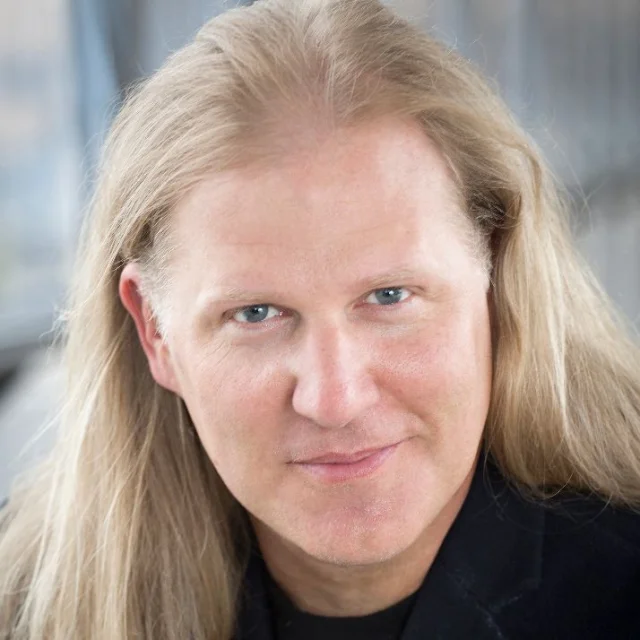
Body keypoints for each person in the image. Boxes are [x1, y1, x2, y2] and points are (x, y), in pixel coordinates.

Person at [2, 0, 640, 638]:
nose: (335, 400)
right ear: (155, 332)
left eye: (389, 296)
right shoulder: (26, 608)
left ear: (496, 276)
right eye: (255, 314)